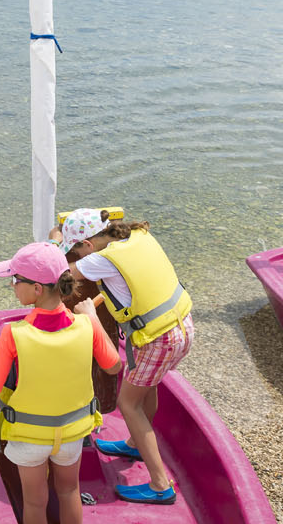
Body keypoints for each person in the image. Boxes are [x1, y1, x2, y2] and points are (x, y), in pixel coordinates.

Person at [0, 242, 122, 524]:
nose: (12, 285)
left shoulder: (13, 334)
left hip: (28, 438)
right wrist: (91, 315)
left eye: (15, 279)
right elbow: (114, 366)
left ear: (35, 288)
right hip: (72, 434)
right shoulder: (85, 325)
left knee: (34, 503)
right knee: (69, 492)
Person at [57, 208, 193, 505]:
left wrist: (55, 245)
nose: (75, 256)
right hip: (181, 326)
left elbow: (62, 277)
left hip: (159, 339)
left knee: (128, 404)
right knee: (148, 386)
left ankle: (160, 485)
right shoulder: (135, 237)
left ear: (88, 245)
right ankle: (134, 444)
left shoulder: (98, 260)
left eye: (75, 250)